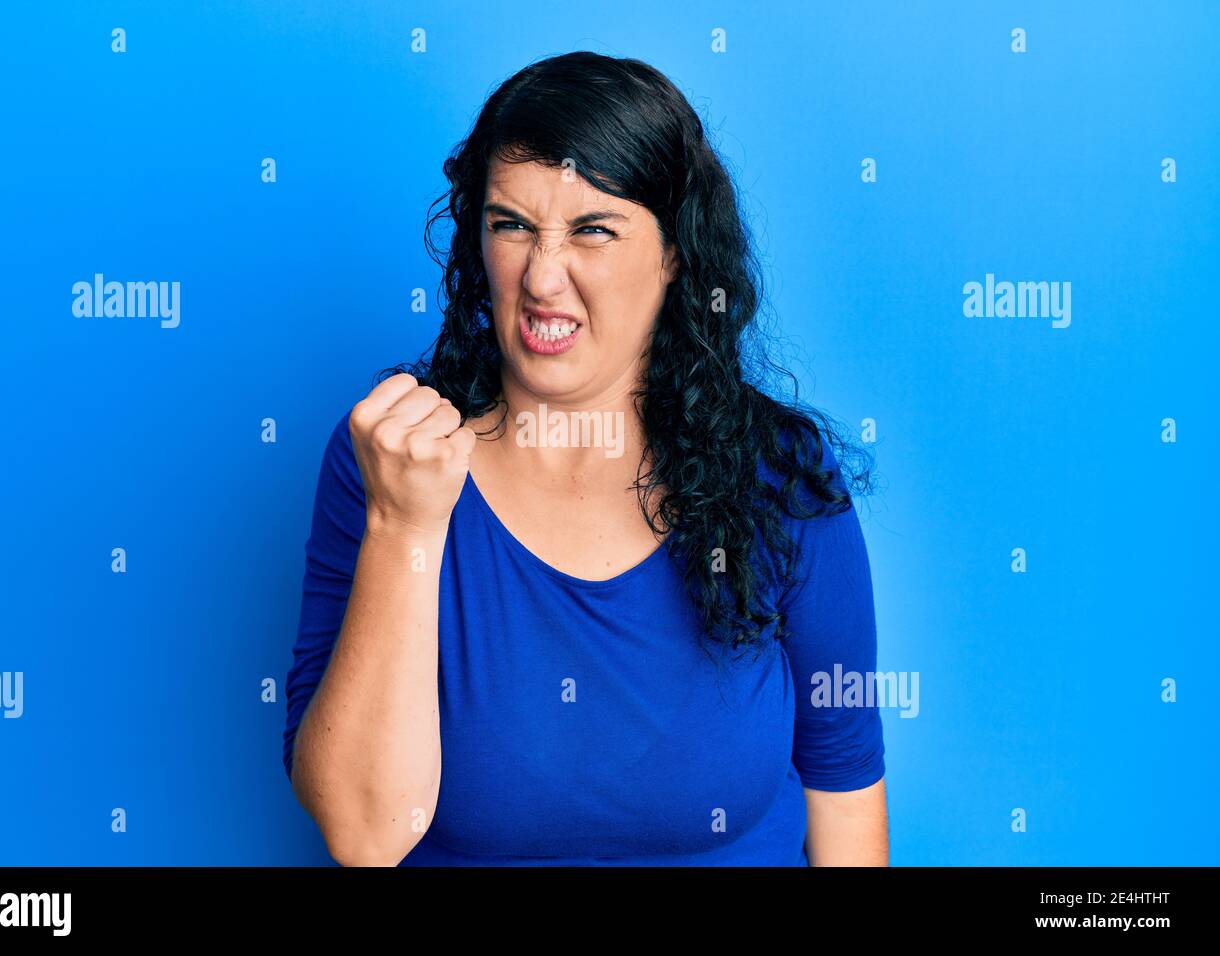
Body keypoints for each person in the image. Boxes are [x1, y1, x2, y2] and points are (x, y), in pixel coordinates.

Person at [283, 51, 888, 866]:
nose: (542, 276)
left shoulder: (778, 474)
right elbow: (364, 835)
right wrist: (404, 526)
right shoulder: (387, 459)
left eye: (592, 230)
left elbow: (844, 789)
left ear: (675, 254)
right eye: (512, 226)